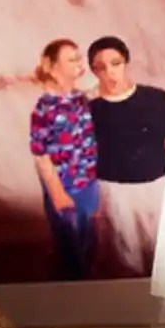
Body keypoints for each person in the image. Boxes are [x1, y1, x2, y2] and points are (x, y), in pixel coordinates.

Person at [87, 36, 165, 277]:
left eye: (115, 63)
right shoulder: (90, 109)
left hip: (157, 189)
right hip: (115, 194)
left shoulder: (157, 99)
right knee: (125, 259)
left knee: (161, 256)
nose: (110, 72)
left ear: (126, 62)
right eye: (101, 67)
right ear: (94, 71)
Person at [30, 38, 100, 280]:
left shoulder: (80, 98)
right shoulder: (44, 109)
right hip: (63, 186)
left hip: (87, 182)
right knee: (71, 252)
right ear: (53, 67)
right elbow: (40, 156)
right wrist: (58, 194)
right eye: (71, 60)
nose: (79, 63)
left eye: (79, 58)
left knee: (89, 244)